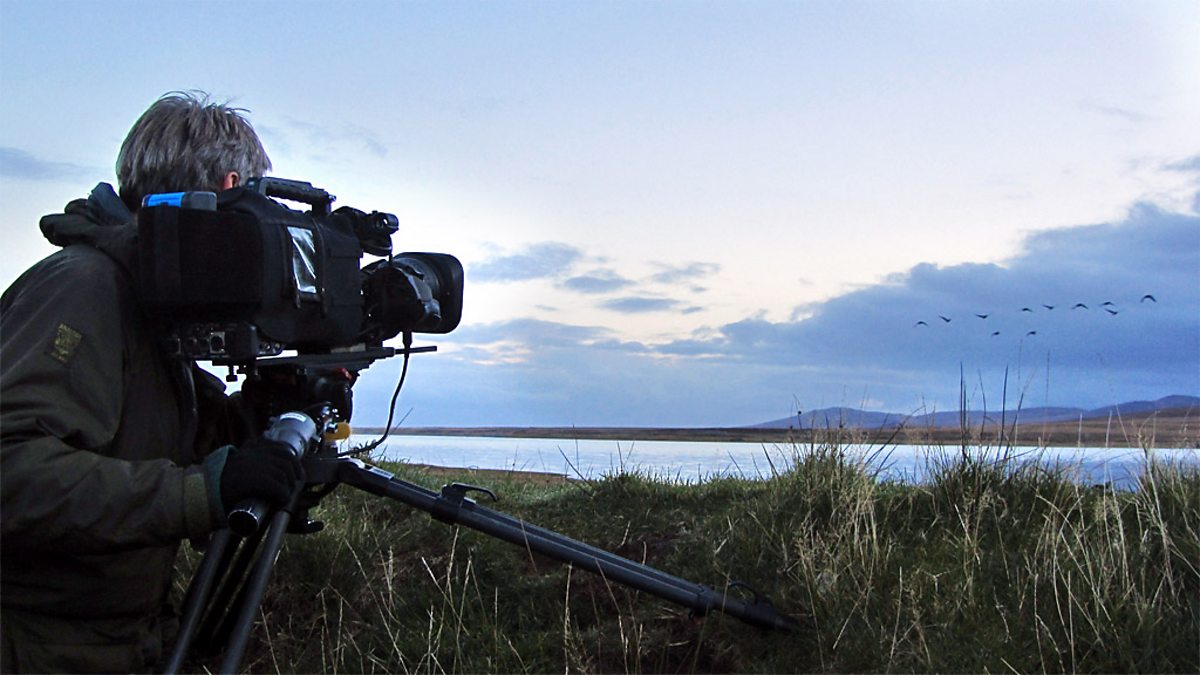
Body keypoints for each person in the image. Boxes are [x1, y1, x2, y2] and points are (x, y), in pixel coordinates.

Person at [1, 91, 304, 673]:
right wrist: (197, 495)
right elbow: (11, 470)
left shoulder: (150, 304)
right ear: (223, 188)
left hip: (120, 638)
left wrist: (268, 411)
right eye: (249, 206)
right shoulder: (84, 287)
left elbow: (171, 440)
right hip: (40, 644)